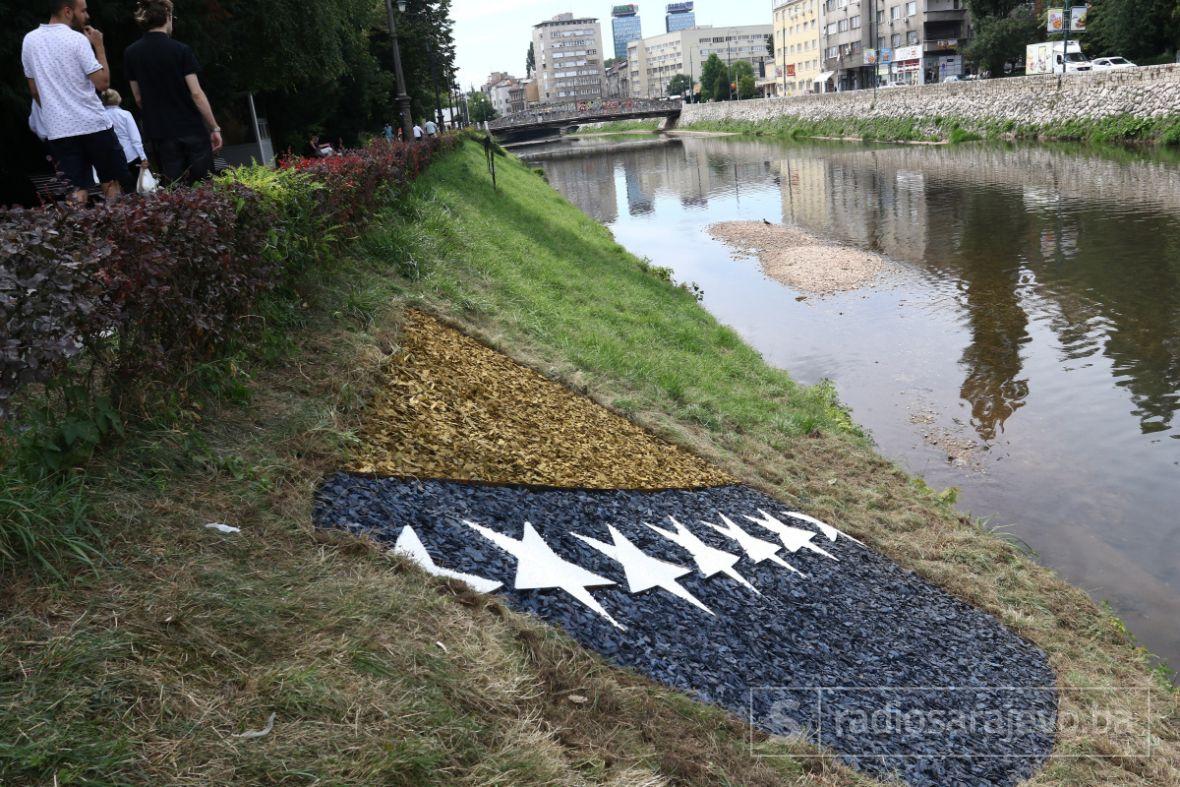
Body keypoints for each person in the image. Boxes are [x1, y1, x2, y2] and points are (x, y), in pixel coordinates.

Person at [22, 0, 127, 204]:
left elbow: (34, 91)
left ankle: (77, 234)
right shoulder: (77, 40)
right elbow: (103, 83)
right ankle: (116, 230)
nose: (87, 15)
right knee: (110, 182)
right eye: (83, 10)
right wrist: (99, 46)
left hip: (59, 129)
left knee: (76, 190)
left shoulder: (29, 41)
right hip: (93, 124)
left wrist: (55, 110)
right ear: (68, 11)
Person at [124, 0, 222, 186]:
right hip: (191, 128)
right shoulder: (180, 50)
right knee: (203, 187)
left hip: (160, 132)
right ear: (167, 17)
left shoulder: (131, 53)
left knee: (173, 188)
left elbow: (138, 98)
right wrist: (214, 127)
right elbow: (196, 94)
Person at [101, 89, 148, 192]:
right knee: (139, 187)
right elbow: (135, 138)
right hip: (132, 155)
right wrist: (143, 157)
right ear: (119, 99)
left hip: (113, 156)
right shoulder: (125, 114)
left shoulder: (101, 116)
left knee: (122, 188)